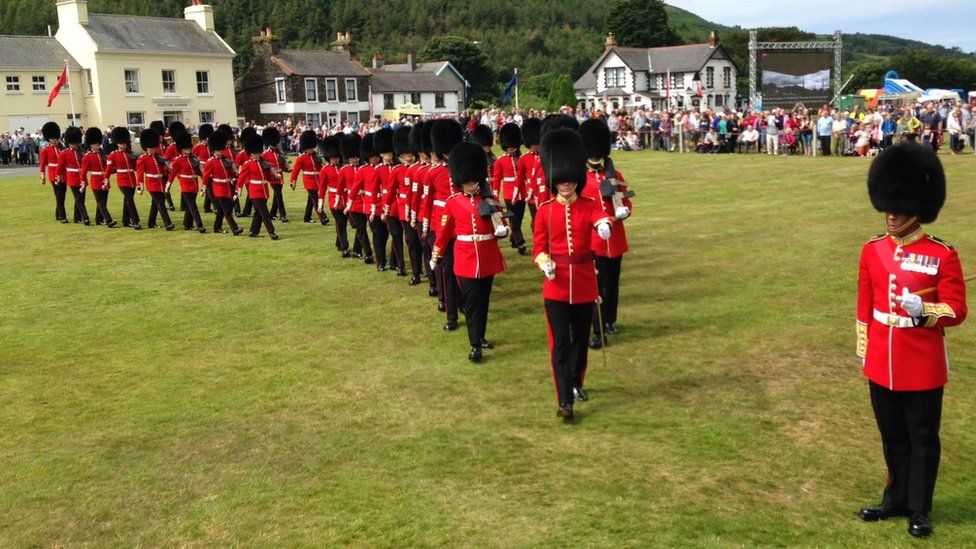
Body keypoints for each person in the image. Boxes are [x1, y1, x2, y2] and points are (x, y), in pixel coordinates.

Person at [856, 143, 967, 539]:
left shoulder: (942, 255)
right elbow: (865, 304)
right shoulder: (872, 251)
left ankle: (919, 508)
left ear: (916, 208)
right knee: (892, 435)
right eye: (888, 207)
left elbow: (956, 309)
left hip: (920, 361)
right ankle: (895, 497)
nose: (891, 215)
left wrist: (925, 311)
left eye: (898, 210)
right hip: (882, 359)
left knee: (922, 439)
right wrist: (865, 351)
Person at [534, 128, 613, 421]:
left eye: (570, 180)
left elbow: (599, 217)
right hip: (555, 287)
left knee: (580, 340)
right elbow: (539, 247)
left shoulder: (588, 205)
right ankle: (564, 400)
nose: (566, 185)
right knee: (560, 344)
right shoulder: (544, 211)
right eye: (561, 181)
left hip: (582, 283)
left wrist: (604, 225)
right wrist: (544, 263)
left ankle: (577, 380)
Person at [432, 142, 509, 362]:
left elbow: (501, 226)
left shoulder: (490, 199)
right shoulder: (453, 202)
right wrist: (436, 254)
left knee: (483, 301)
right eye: (467, 181)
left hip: (487, 256)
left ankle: (481, 336)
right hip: (465, 258)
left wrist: (503, 230)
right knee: (473, 302)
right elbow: (444, 233)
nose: (471, 184)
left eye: (474, 180)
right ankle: (475, 345)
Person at [578, 118, 632, 349]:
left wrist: (623, 212)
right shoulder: (581, 178)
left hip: (616, 239)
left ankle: (610, 319)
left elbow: (627, 203)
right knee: (596, 286)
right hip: (594, 241)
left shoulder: (614, 175)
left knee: (612, 284)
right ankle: (597, 326)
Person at [423, 119, 465, 330]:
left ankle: (463, 302)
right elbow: (427, 202)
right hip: (443, 227)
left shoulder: (463, 169)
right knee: (448, 269)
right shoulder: (434, 173)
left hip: (464, 226)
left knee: (463, 270)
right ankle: (451, 314)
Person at [235, 133, 279, 239]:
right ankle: (271, 232)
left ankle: (253, 232)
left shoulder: (263, 163)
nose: (258, 154)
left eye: (259, 152)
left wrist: (274, 177)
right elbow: (241, 178)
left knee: (258, 213)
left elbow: (267, 177)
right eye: (255, 153)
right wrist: (238, 190)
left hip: (264, 191)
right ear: (250, 153)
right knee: (265, 213)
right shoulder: (247, 164)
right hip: (255, 192)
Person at [492, 123, 526, 254]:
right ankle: (520, 243)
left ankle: (514, 240)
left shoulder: (521, 159)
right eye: (508, 147)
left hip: (521, 192)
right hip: (508, 193)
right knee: (514, 219)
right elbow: (496, 179)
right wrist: (495, 194)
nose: (510, 149)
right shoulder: (500, 161)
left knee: (520, 218)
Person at [201, 128, 243, 235]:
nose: (221, 151)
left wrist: (234, 178)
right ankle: (235, 229)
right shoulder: (210, 162)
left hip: (227, 187)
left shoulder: (226, 160)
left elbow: (230, 172)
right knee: (227, 210)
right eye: (219, 150)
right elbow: (205, 177)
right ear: (214, 150)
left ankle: (217, 227)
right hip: (218, 188)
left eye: (221, 149)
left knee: (220, 210)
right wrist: (203, 189)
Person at [167, 131, 206, 233]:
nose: (189, 151)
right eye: (186, 149)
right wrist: (168, 185)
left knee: (190, 206)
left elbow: (199, 172)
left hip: (194, 185)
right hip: (185, 185)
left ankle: (187, 224)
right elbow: (172, 174)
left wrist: (204, 180)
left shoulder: (194, 159)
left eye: (189, 149)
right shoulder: (177, 161)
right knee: (193, 206)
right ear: (181, 150)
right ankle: (200, 225)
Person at [104, 127, 142, 230]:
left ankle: (125, 221)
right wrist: (106, 180)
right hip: (122, 180)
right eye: (122, 143)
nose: (124, 145)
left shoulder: (131, 154)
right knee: (130, 200)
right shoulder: (113, 155)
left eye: (125, 143)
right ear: (117, 143)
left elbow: (135, 168)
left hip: (132, 180)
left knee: (127, 200)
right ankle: (135, 221)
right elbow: (108, 169)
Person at [136, 129, 174, 231]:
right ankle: (168, 223)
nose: (153, 149)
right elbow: (139, 173)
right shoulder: (142, 159)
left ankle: (151, 222)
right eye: (151, 148)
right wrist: (140, 186)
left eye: (154, 147)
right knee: (161, 203)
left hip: (160, 182)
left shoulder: (158, 157)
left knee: (155, 203)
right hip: (152, 183)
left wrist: (168, 168)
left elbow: (163, 168)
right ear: (146, 148)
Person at [318, 135, 349, 256]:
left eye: (336, 157)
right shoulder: (325, 170)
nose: (334, 159)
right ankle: (345, 247)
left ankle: (339, 243)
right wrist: (320, 204)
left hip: (345, 199)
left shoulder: (344, 168)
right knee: (341, 223)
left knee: (342, 223)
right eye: (332, 157)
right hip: (333, 200)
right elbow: (322, 188)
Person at [342, 133, 371, 262]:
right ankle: (368, 253)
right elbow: (340, 188)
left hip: (365, 201)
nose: (356, 159)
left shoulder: (363, 169)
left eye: (356, 157)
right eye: (353, 157)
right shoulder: (344, 170)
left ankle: (356, 249)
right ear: (348, 158)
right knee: (361, 228)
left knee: (362, 228)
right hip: (354, 203)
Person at [80, 127, 115, 228]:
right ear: (90, 145)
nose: (97, 145)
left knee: (102, 202)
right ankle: (109, 220)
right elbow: (83, 171)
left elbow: (108, 167)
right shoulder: (87, 156)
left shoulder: (103, 154)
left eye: (98, 143)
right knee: (101, 203)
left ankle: (98, 219)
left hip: (105, 180)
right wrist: (83, 182)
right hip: (95, 180)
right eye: (95, 144)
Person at [56, 126, 90, 225]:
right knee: (79, 199)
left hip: (82, 177)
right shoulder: (64, 153)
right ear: (69, 142)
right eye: (73, 143)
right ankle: (85, 217)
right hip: (72, 177)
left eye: (76, 143)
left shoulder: (82, 152)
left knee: (81, 198)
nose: (75, 145)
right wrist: (58, 177)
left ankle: (77, 217)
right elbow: (60, 167)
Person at [291, 130, 326, 225]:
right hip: (309, 180)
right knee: (315, 199)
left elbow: (322, 168)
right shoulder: (301, 158)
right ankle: (323, 217)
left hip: (317, 179)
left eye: (312, 147)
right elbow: (295, 171)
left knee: (311, 200)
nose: (312, 149)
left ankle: (307, 217)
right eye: (310, 148)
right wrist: (293, 181)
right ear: (305, 147)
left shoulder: (316, 157)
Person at [517, 118, 544, 229]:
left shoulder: (545, 156)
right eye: (533, 144)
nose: (535, 146)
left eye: (537, 143)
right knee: (535, 219)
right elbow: (520, 178)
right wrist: (520, 194)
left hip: (543, 192)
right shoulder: (524, 159)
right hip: (531, 194)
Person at [39, 122, 66, 223]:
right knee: (59, 195)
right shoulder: (45, 150)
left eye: (55, 138)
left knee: (62, 195)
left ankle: (57, 214)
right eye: (52, 138)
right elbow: (42, 164)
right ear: (48, 138)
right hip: (53, 174)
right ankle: (63, 216)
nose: (54, 140)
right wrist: (42, 176)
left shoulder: (61, 148)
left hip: (63, 174)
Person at [262, 126, 290, 222]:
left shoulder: (279, 153)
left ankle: (272, 214)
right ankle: (283, 215)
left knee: (276, 196)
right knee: (279, 195)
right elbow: (265, 167)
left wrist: (287, 169)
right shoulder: (265, 155)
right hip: (272, 178)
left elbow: (282, 166)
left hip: (280, 177)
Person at [150, 121, 176, 211]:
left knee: (165, 187)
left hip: (166, 168)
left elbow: (168, 155)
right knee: (161, 189)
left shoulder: (166, 143)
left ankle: (170, 204)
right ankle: (167, 204)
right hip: (159, 169)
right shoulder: (154, 145)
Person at [193, 124, 215, 213]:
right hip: (203, 169)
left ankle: (206, 206)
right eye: (204, 139)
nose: (206, 141)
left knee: (210, 186)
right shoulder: (198, 147)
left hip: (212, 168)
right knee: (209, 186)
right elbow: (193, 157)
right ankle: (216, 206)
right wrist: (198, 165)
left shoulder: (212, 146)